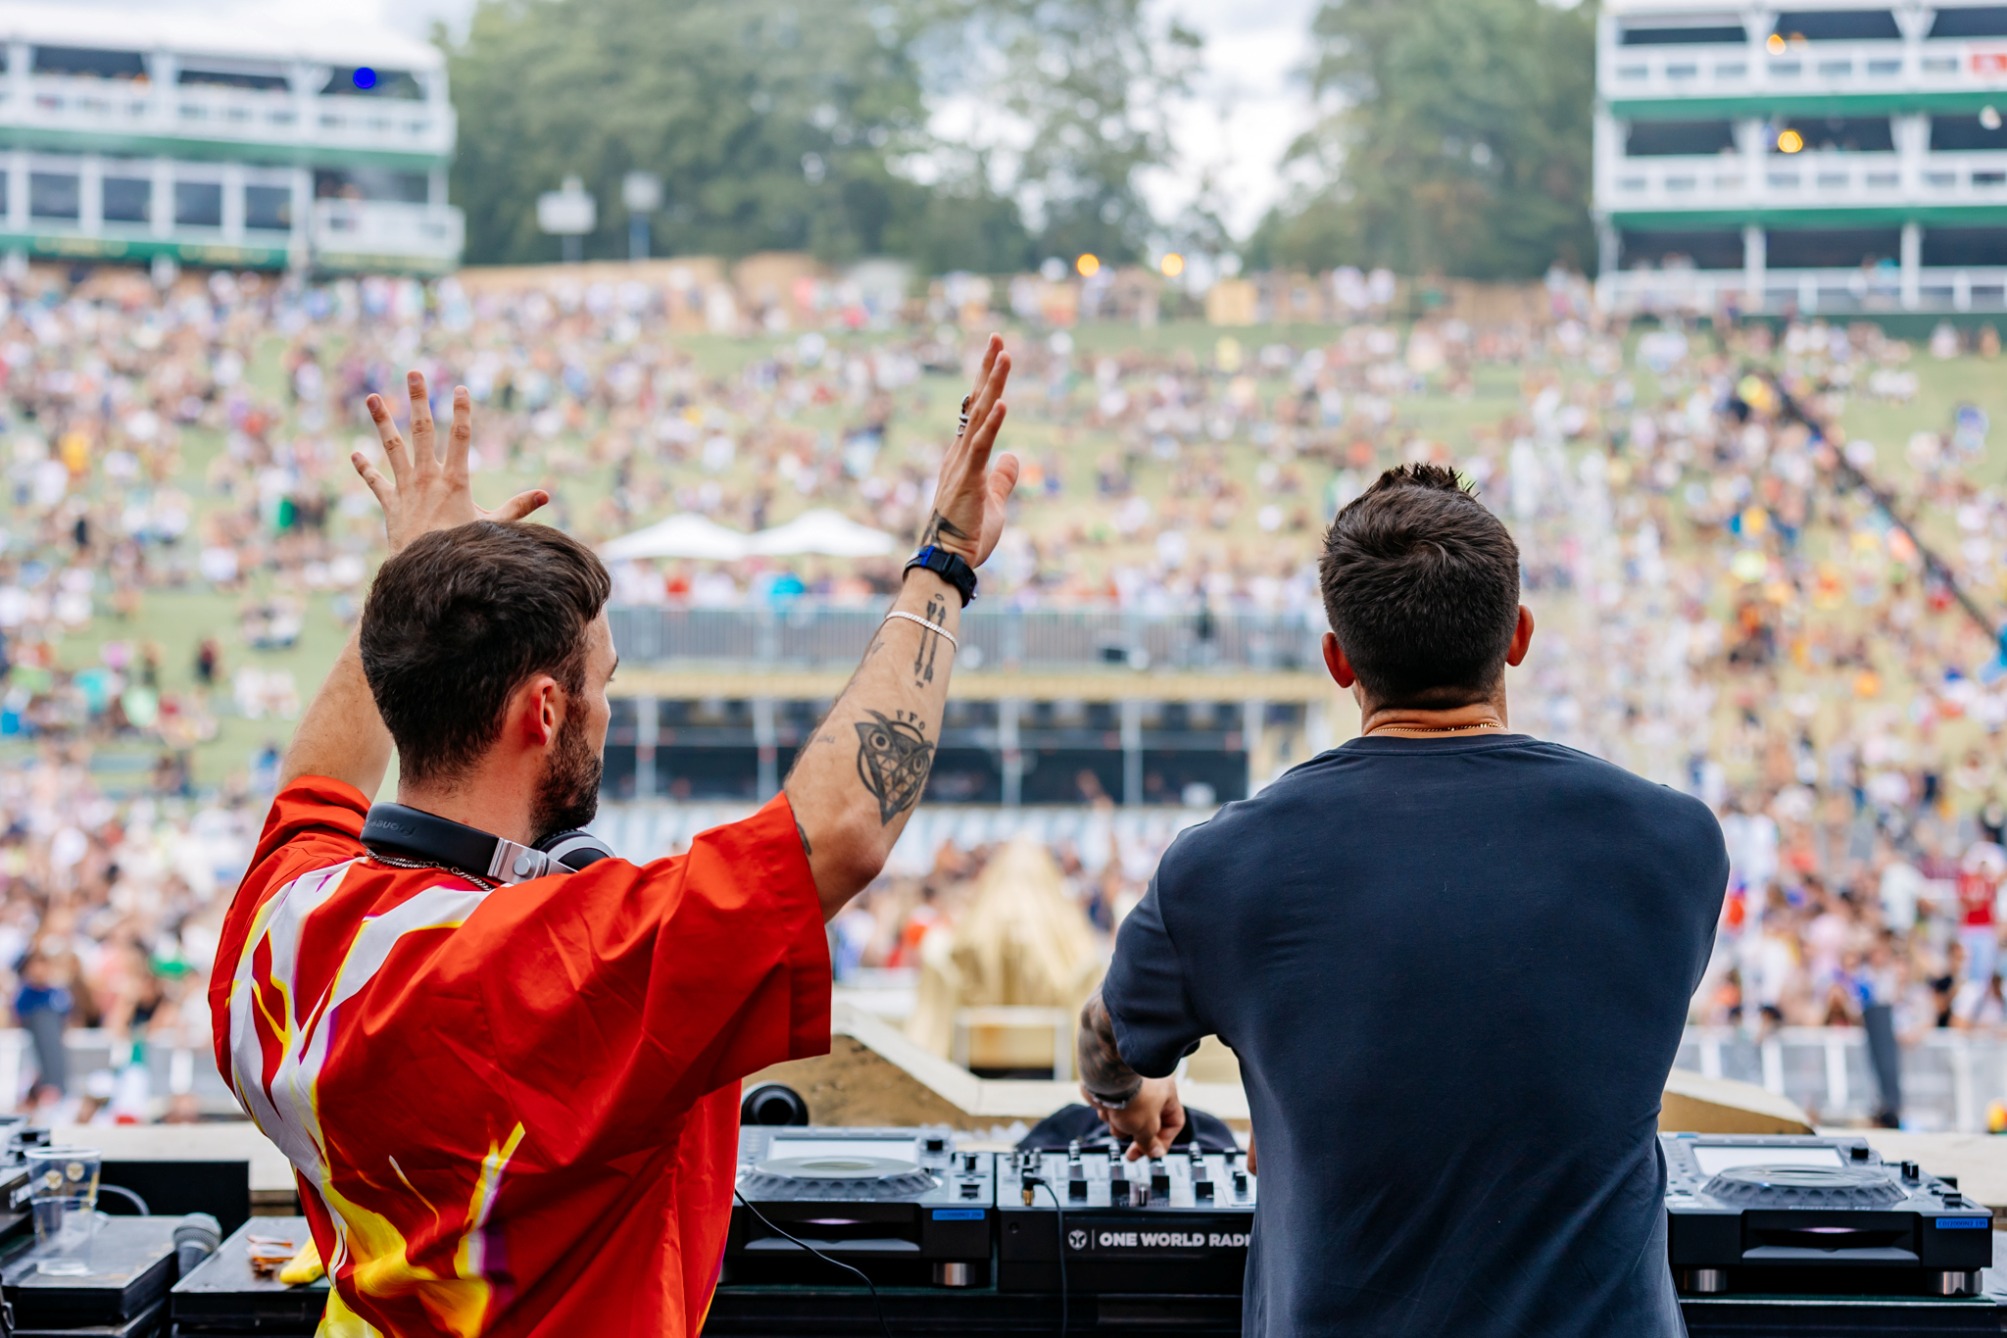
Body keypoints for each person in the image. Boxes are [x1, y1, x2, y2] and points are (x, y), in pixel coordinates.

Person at [209, 347, 1020, 1337]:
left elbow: (316, 780)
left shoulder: (282, 918)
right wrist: (946, 561)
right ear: (547, 710)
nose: (608, 709)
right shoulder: (555, 967)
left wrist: (416, 576)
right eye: (605, 683)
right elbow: (842, 830)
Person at [1075, 464, 1729, 1338]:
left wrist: (1126, 1090)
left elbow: (1111, 1036)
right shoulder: (1676, 844)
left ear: (1337, 660)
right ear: (1518, 636)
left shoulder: (1220, 866)